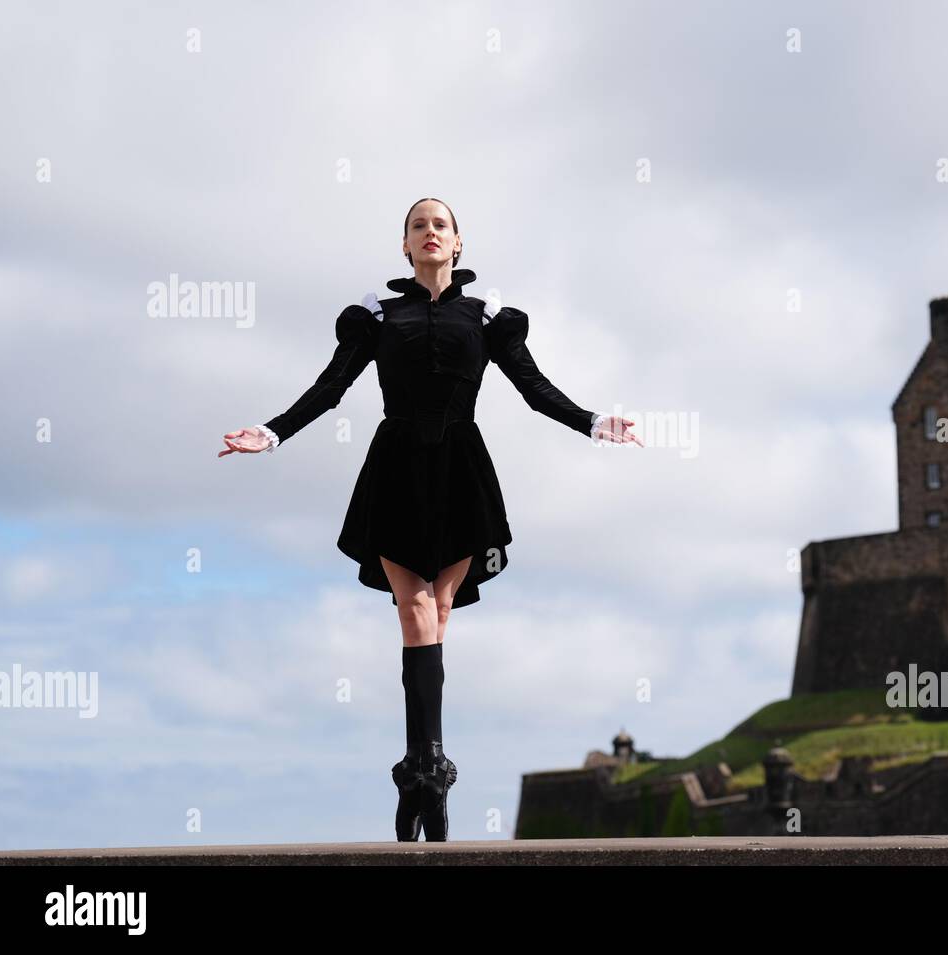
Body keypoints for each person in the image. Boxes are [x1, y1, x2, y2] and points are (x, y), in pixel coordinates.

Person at [219, 197, 642, 842]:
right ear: (406, 246)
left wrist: (591, 422)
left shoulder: (488, 316)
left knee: (438, 613)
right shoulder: (377, 315)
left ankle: (421, 775)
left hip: (460, 466)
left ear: (458, 242)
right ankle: (428, 769)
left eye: (440, 224)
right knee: (415, 608)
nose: (430, 233)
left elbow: (531, 388)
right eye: (419, 226)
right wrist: (272, 433)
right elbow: (332, 386)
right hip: (396, 465)